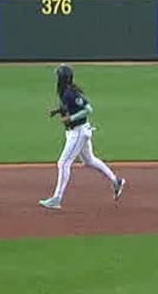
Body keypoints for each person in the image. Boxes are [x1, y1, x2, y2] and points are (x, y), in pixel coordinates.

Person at [39, 64, 125, 209]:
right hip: (79, 131)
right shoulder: (65, 92)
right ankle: (116, 181)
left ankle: (57, 198)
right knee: (89, 160)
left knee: (63, 163)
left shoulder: (70, 93)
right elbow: (69, 107)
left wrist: (71, 119)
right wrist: (58, 111)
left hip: (78, 132)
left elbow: (88, 109)